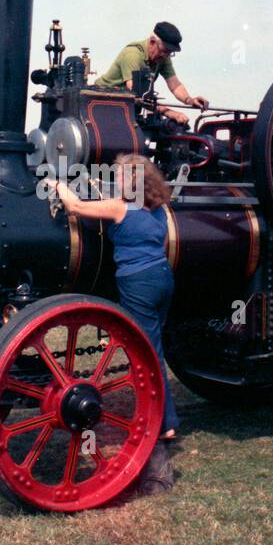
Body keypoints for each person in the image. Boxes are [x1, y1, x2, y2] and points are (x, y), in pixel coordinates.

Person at [54, 154, 179, 441]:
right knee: (154, 346)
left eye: (121, 175)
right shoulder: (160, 209)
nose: (116, 180)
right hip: (162, 277)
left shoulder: (119, 207)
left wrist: (58, 183)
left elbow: (75, 207)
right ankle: (161, 416)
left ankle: (164, 422)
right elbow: (159, 243)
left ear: (133, 180)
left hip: (138, 283)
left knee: (148, 353)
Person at [94, 21, 209, 127]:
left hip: (128, 107)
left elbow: (175, 84)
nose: (166, 56)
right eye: (164, 51)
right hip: (103, 103)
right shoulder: (132, 55)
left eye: (170, 53)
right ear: (153, 41)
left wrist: (190, 100)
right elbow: (138, 95)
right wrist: (169, 113)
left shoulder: (163, 58)